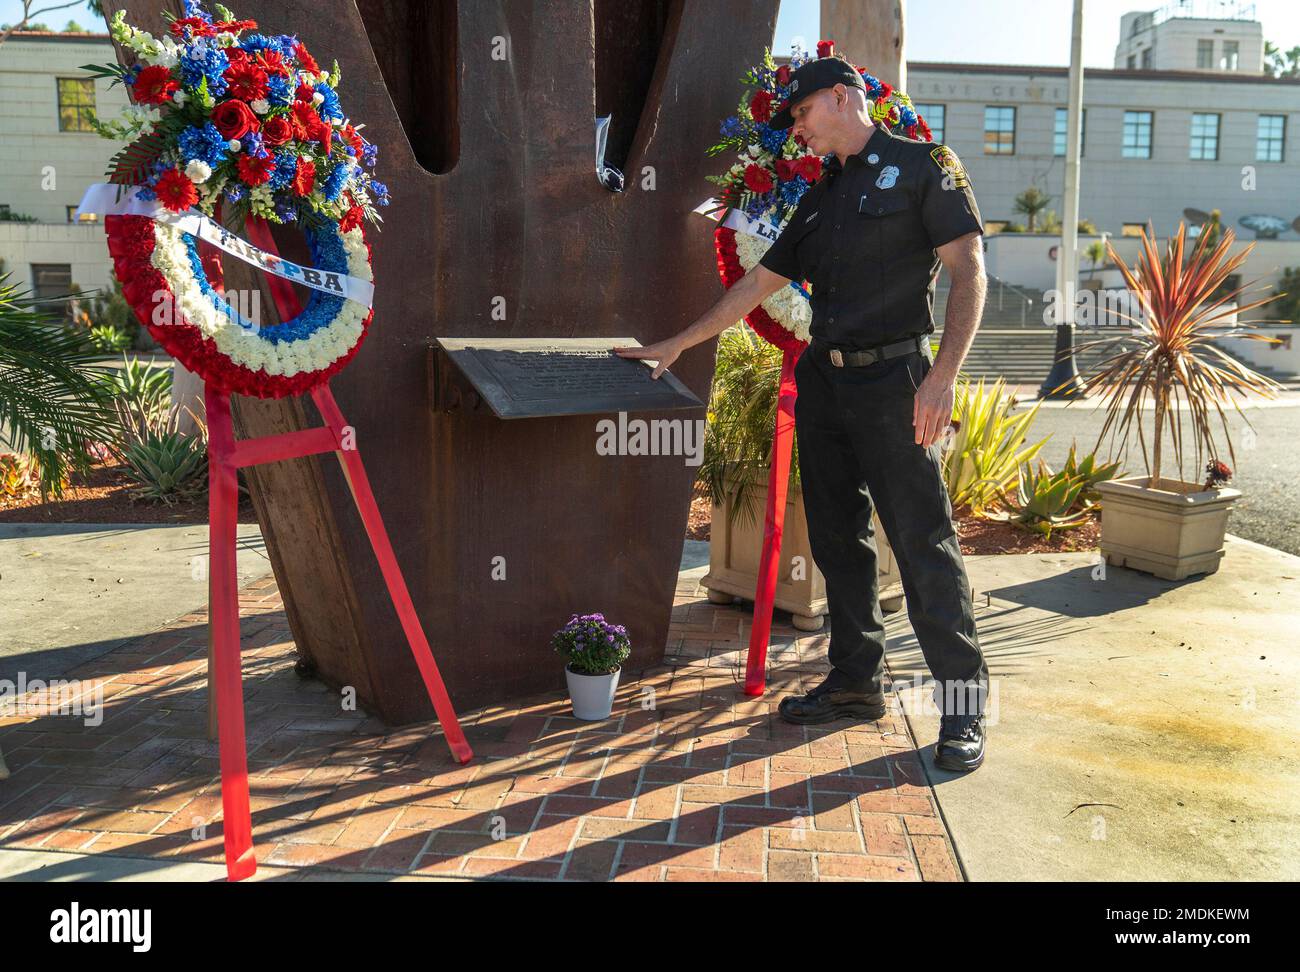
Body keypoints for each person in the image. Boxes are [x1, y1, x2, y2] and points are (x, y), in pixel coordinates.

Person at [615, 55, 990, 772]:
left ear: (842, 99)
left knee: (922, 545)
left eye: (802, 114)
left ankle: (964, 710)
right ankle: (856, 683)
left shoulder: (925, 166)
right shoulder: (820, 193)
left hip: (898, 384)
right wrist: (676, 344)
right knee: (839, 544)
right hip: (827, 385)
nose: (797, 129)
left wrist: (942, 379)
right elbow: (761, 280)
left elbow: (970, 269)